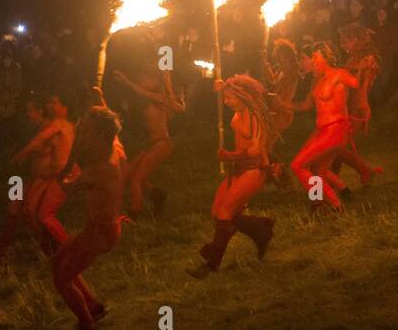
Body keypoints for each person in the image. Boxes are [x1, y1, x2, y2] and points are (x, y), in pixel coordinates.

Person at [188, 75, 281, 278]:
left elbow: (257, 150)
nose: (226, 102)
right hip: (239, 170)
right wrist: (221, 85)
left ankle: (212, 264)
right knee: (217, 212)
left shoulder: (255, 116)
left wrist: (231, 156)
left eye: (230, 98)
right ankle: (260, 228)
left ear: (243, 96)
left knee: (225, 214)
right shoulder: (239, 113)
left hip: (253, 170)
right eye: (225, 98)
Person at [52, 97, 127, 330]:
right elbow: (111, 128)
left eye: (89, 133)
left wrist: (62, 170)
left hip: (100, 233)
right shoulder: (115, 148)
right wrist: (101, 102)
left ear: (102, 137)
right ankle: (93, 306)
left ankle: (87, 325)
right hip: (101, 228)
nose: (85, 137)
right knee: (57, 261)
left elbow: (66, 187)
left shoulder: (97, 170)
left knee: (62, 279)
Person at [282, 42, 365, 213]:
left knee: (298, 165)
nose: (313, 60)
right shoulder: (318, 80)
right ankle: (324, 205)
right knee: (317, 170)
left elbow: (358, 84)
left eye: (315, 56)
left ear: (326, 57)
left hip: (335, 130)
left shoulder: (340, 74)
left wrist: (364, 67)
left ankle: (328, 203)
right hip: (322, 131)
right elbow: (306, 105)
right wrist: (282, 105)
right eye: (312, 57)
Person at [1, 93, 75, 257]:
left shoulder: (51, 128)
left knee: (18, 209)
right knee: (15, 208)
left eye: (31, 110)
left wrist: (22, 155)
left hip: (33, 176)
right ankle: (11, 244)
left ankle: (6, 245)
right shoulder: (31, 127)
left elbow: (47, 151)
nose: (27, 114)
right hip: (21, 175)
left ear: (41, 112)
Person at [111, 55, 184, 217]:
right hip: (151, 144)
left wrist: (127, 82)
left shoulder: (160, 98)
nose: (142, 79)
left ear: (155, 81)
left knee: (136, 179)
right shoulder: (146, 99)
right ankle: (157, 196)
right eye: (142, 77)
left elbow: (146, 91)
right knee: (130, 176)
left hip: (161, 143)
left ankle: (135, 213)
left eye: (146, 77)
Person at [330, 23, 383, 188]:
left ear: (358, 39)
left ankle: (365, 170)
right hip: (347, 106)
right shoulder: (354, 57)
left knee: (336, 146)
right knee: (337, 146)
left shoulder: (367, 59)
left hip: (357, 108)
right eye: (342, 41)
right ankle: (332, 179)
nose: (343, 44)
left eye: (347, 40)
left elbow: (361, 85)